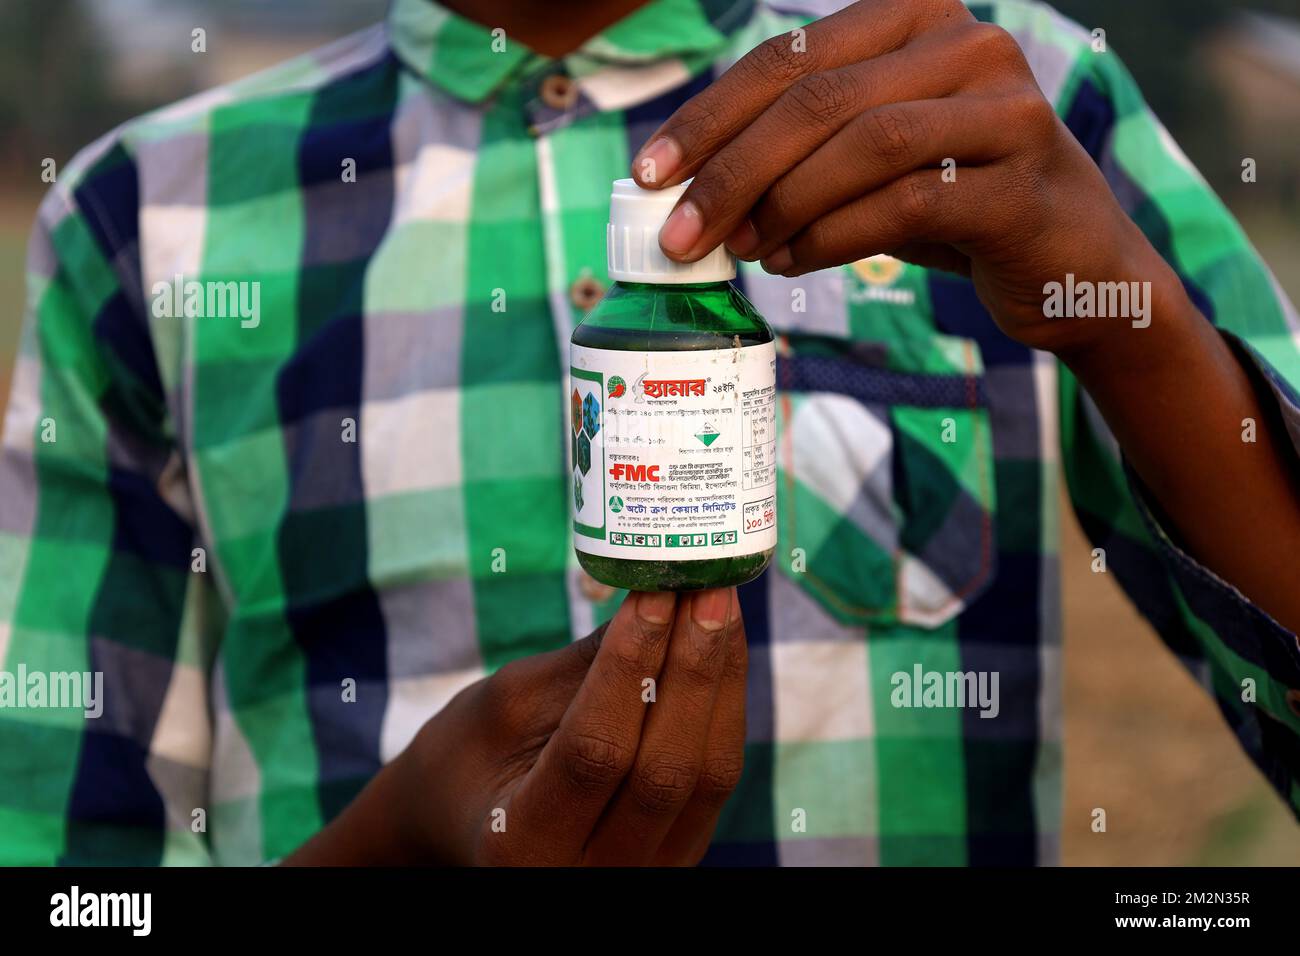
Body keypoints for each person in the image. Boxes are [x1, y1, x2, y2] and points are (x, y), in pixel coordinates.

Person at [1, 0, 1298, 867]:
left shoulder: (991, 98)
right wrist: (385, 857)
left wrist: (1134, 328)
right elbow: (66, 862)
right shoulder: (150, 213)